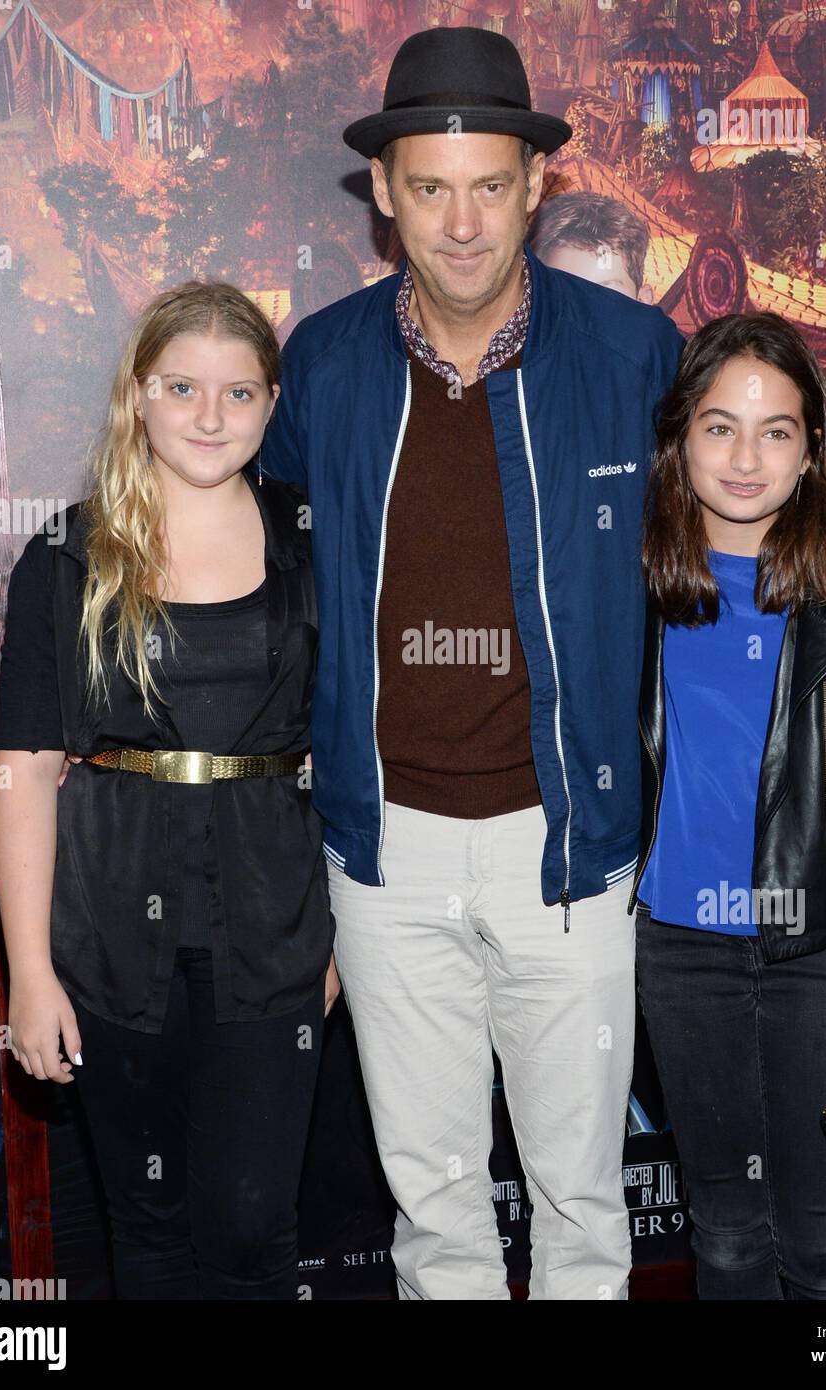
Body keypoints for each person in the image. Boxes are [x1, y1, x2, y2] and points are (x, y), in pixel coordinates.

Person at [261, 26, 685, 1300]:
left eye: (488, 185)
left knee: (582, 1203)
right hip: (382, 855)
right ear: (383, 191)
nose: (460, 221)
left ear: (534, 186)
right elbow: (270, 609)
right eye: (430, 187)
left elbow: (715, 583)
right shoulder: (322, 369)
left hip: (570, 843)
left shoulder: (632, 358)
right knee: (434, 1207)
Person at [0, 281, 338, 1300]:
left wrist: (346, 935)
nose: (209, 416)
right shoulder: (64, 553)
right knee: (149, 1229)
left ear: (273, 404)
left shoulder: (312, 535)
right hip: (107, 931)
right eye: (181, 386)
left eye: (238, 393)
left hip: (274, 926)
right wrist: (32, 978)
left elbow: (362, 756)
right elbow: (25, 773)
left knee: (253, 1225)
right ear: (137, 393)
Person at [628, 309, 826, 1300]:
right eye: (719, 425)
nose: (745, 457)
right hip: (678, 950)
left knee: (820, 1240)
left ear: (812, 448)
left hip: (816, 952)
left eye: (776, 430)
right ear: (680, 435)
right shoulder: (630, 583)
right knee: (721, 1237)